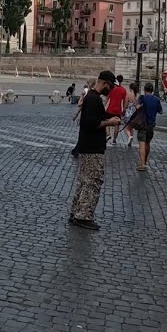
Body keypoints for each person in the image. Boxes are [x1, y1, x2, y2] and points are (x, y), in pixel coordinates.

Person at [69, 70, 122, 230]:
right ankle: (84, 216)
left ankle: (76, 212)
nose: (111, 90)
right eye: (110, 86)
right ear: (105, 83)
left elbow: (96, 117)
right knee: (93, 181)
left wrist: (110, 118)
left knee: (83, 181)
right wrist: (109, 123)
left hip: (87, 145)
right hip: (93, 147)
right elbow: (90, 123)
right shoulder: (94, 99)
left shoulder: (92, 98)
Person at [134, 82, 163, 172]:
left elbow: (137, 107)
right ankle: (145, 161)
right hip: (151, 125)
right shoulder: (157, 99)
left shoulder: (142, 98)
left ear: (144, 90)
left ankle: (142, 164)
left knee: (142, 144)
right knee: (148, 143)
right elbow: (161, 112)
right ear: (152, 90)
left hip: (143, 124)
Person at [105, 74, 128, 142]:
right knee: (117, 125)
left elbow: (107, 98)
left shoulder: (112, 88)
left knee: (107, 122)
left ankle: (108, 134)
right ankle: (114, 140)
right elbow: (125, 101)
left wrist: (104, 106)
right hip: (118, 110)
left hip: (110, 108)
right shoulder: (123, 90)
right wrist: (124, 109)